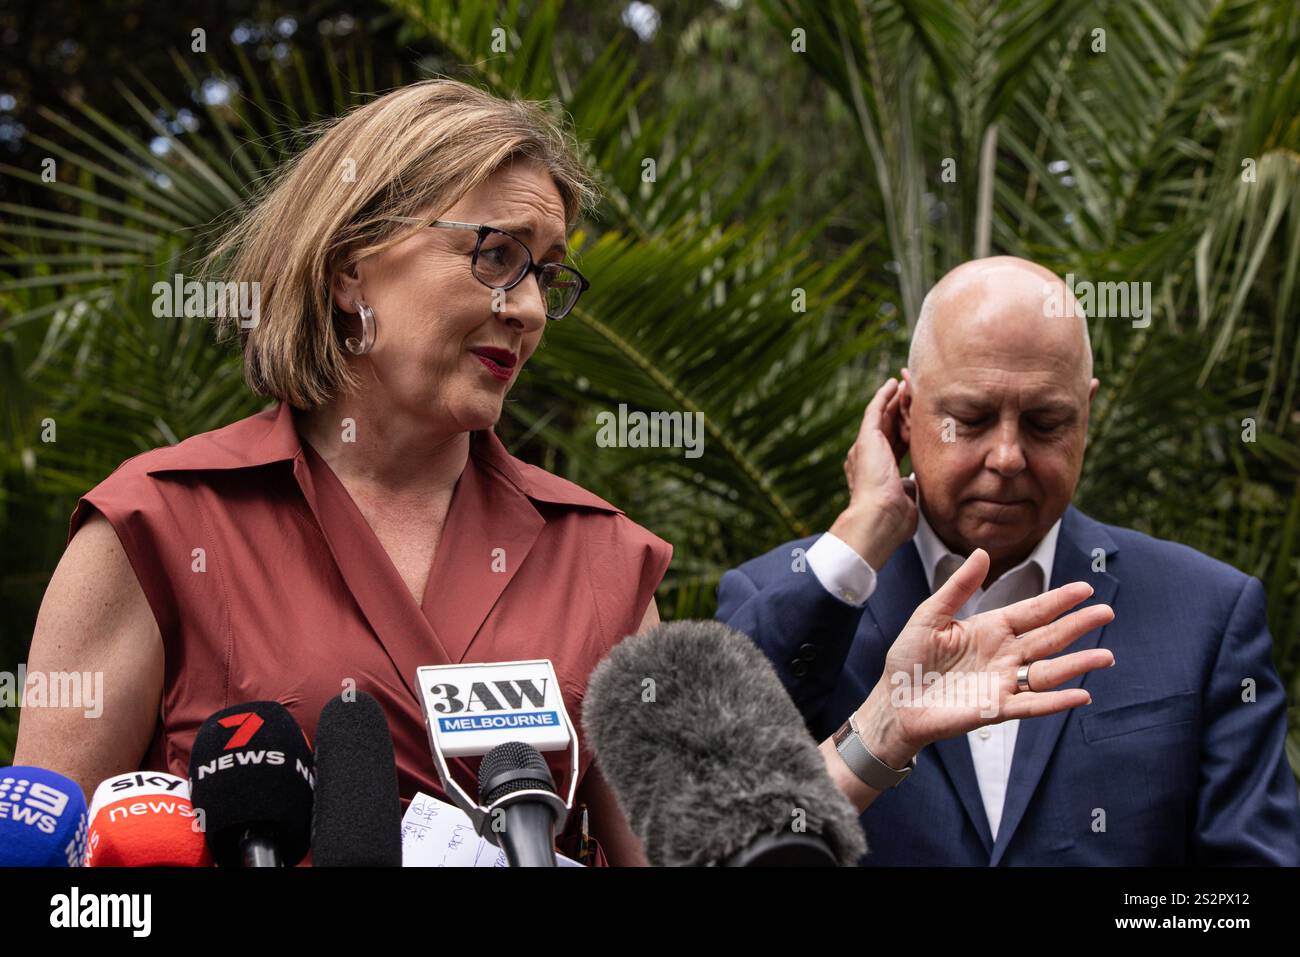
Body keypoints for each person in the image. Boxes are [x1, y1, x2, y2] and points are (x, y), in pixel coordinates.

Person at [719, 256, 1300, 865]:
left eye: (1046, 423)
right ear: (904, 412)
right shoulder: (784, 596)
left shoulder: (1205, 611)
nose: (1007, 457)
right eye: (968, 419)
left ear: (1087, 415)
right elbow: (709, 821)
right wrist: (862, 535)